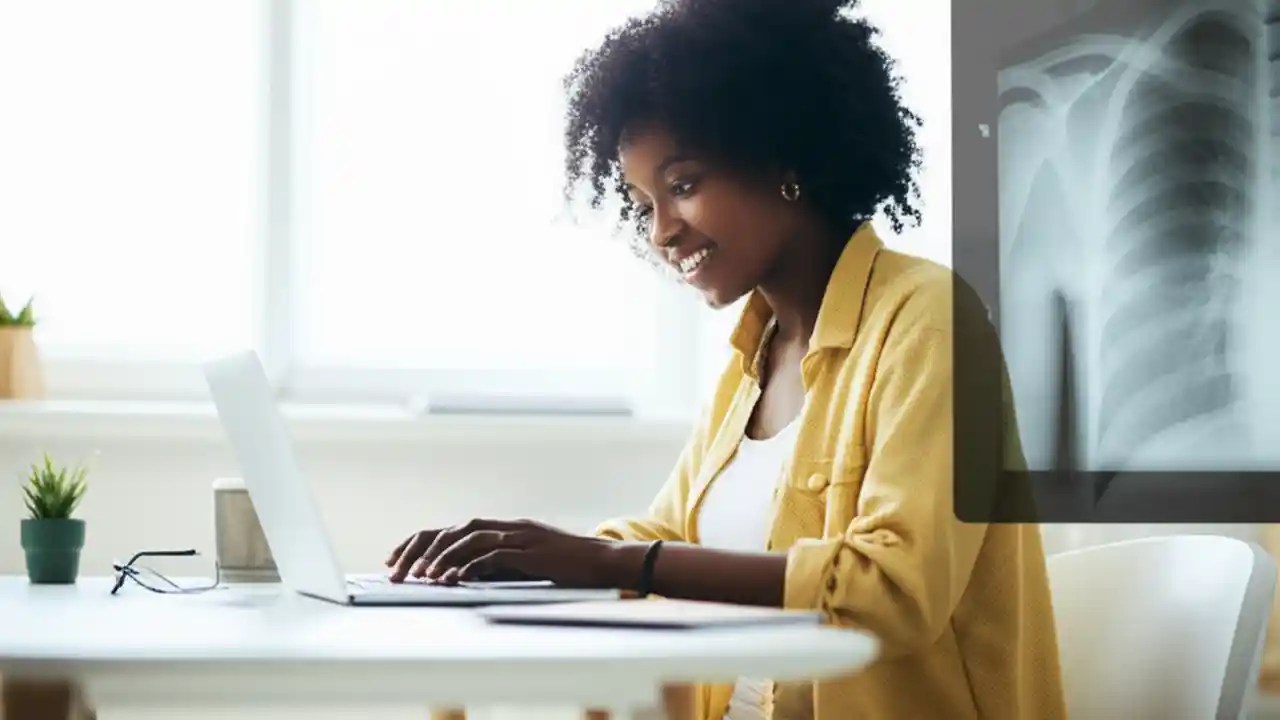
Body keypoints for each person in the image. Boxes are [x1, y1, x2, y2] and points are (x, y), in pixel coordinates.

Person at [388, 0, 1067, 718]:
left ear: (785, 160)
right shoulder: (754, 356)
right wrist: (516, 559)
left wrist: (600, 561)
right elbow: (671, 536)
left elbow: (894, 591)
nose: (660, 233)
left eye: (683, 186)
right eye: (644, 201)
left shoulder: (929, 319)